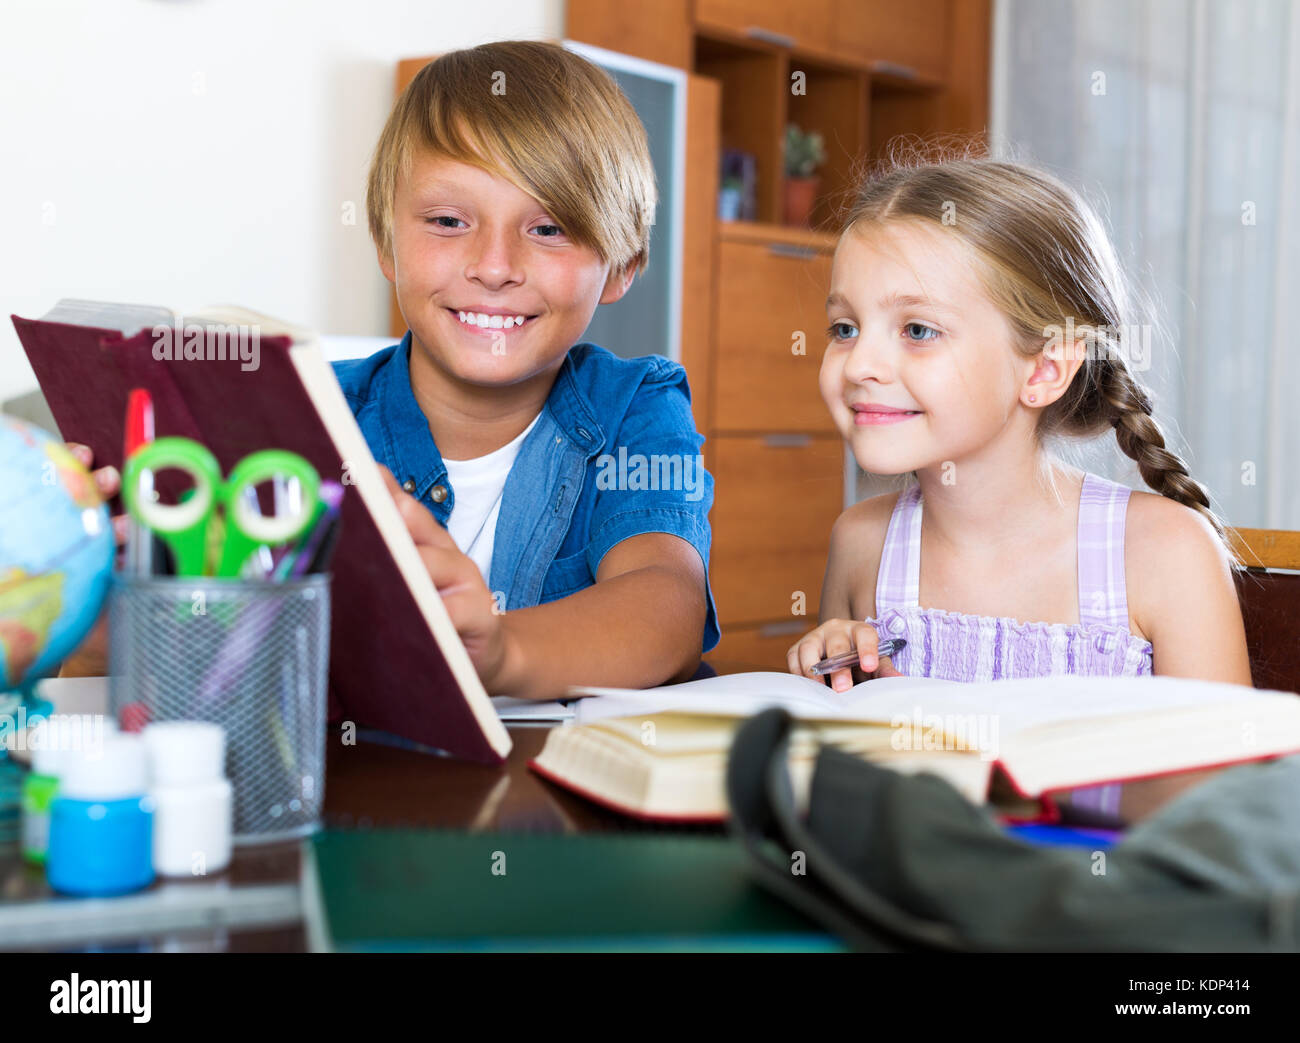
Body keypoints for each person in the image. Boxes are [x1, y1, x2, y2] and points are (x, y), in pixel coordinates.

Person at [64, 41, 719, 700]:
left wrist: (501, 651)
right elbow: (205, 660)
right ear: (384, 242)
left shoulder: (639, 406)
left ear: (624, 266)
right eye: (447, 221)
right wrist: (100, 610)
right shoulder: (308, 412)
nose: (494, 265)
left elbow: (666, 604)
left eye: (548, 229)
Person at [788, 150, 1251, 695]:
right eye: (844, 329)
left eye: (917, 330)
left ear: (1045, 369)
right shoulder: (860, 542)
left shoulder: (1167, 553)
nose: (860, 365)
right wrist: (835, 670)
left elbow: (1222, 780)